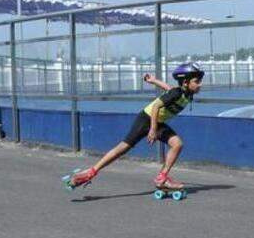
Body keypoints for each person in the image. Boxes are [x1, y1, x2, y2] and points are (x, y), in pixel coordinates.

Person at [62, 63, 204, 192]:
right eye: (197, 81)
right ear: (185, 82)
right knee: (122, 148)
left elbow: (168, 89)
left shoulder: (186, 94)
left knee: (177, 144)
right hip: (146, 119)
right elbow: (156, 106)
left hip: (157, 122)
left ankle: (162, 178)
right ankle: (91, 172)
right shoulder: (178, 92)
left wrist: (153, 80)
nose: (200, 84)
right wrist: (153, 129)